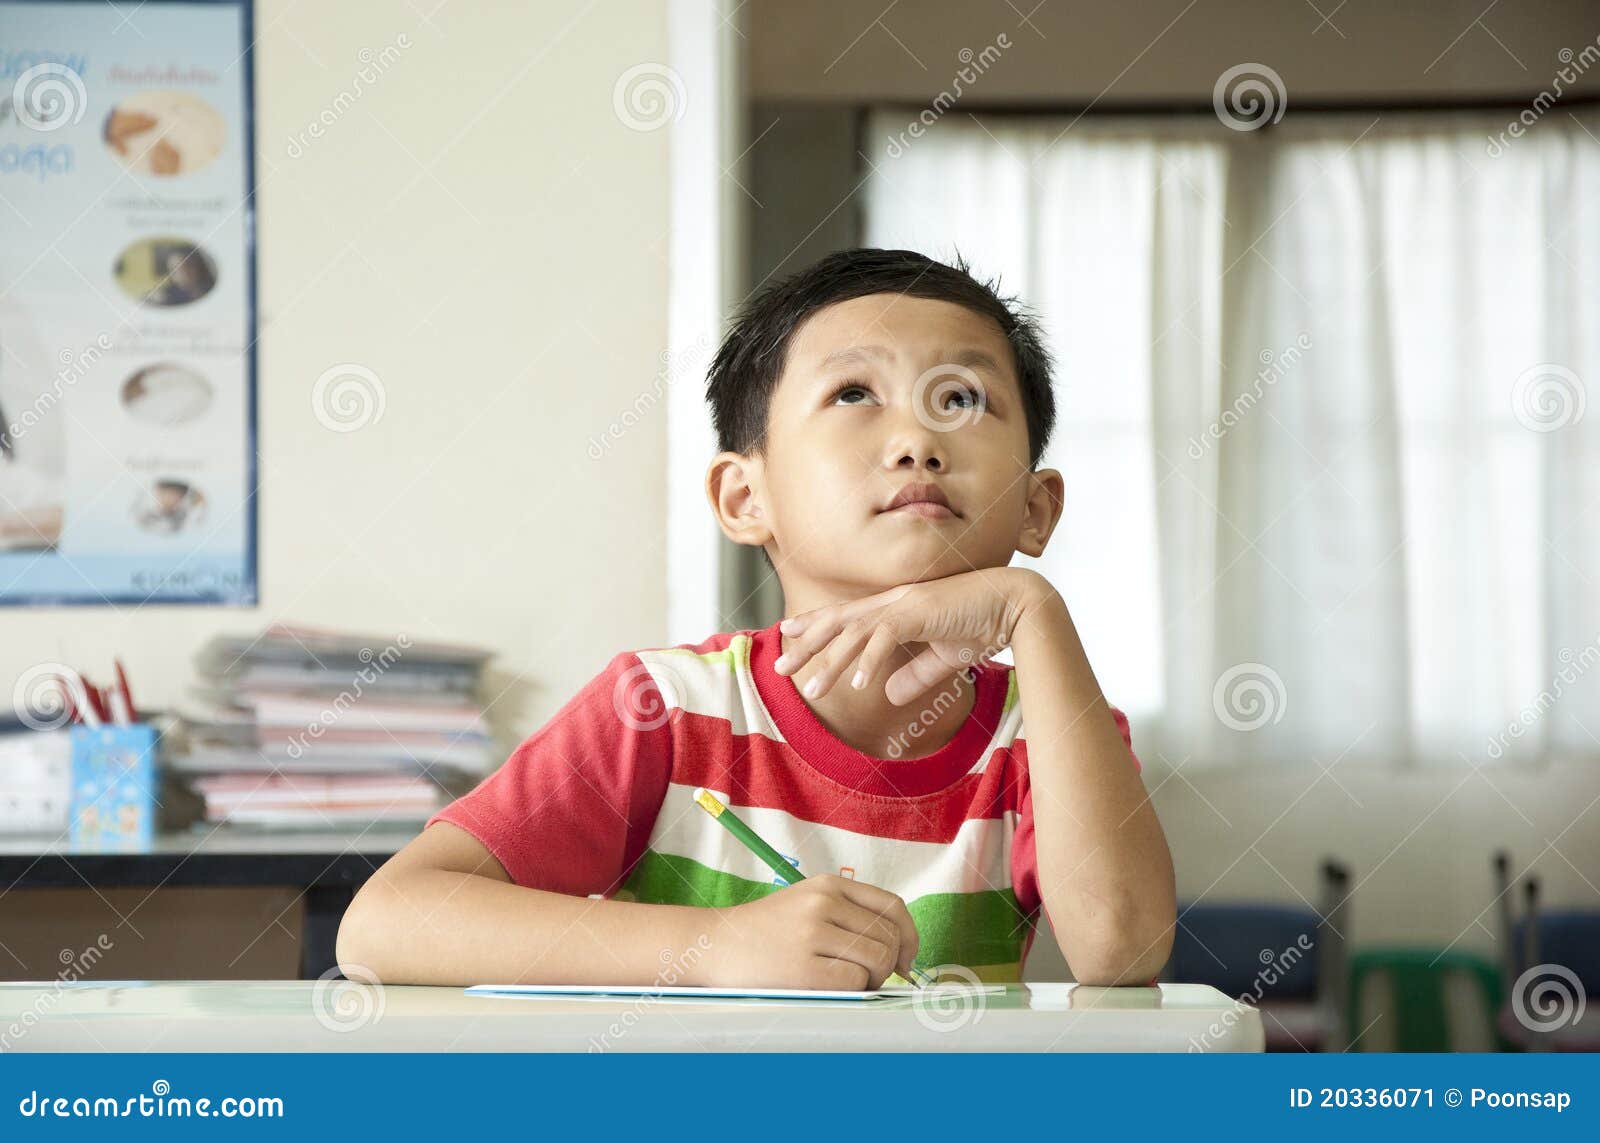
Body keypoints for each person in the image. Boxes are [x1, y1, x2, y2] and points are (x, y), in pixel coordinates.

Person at [337, 248, 1176, 989]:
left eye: (963, 398)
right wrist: (712, 946)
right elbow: (386, 924)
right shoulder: (661, 708)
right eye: (854, 392)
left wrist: (1035, 610)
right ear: (745, 496)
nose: (919, 439)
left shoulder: (1055, 732)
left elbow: (1124, 949)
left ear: (1037, 507)